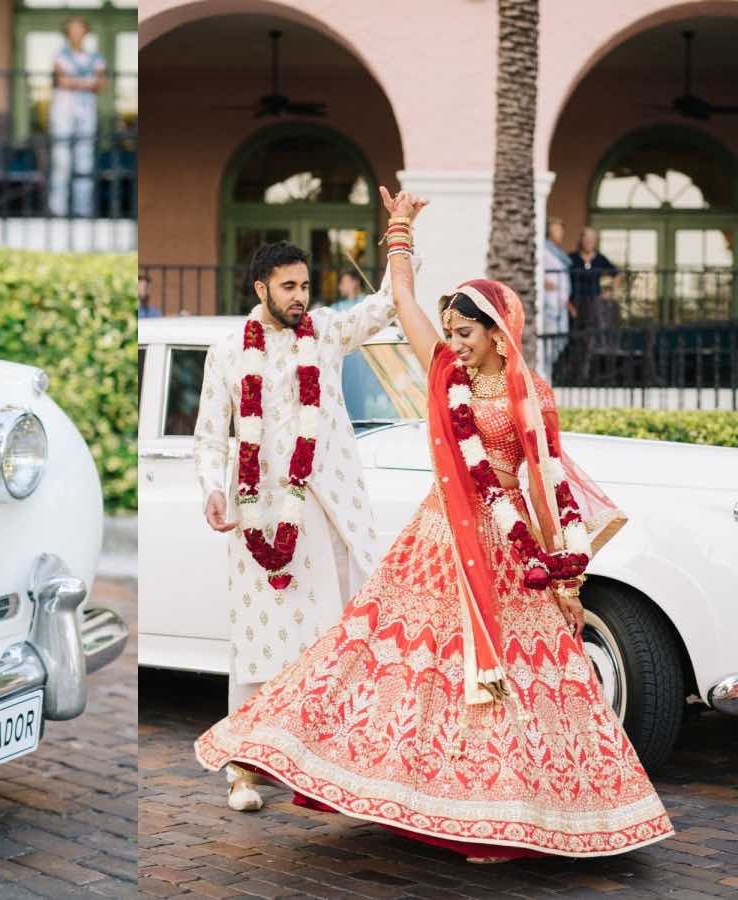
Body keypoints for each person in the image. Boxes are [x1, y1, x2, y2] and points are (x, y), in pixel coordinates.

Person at [195, 188, 673, 861]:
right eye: (451, 334)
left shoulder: (528, 393)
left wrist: (561, 568)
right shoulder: (446, 371)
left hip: (508, 550)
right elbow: (405, 305)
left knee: (514, 679)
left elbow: (547, 478)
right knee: (410, 670)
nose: (455, 345)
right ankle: (395, 795)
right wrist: (397, 231)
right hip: (437, 537)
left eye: (467, 334)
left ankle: (517, 813)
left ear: (498, 331)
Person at [193, 239, 414, 812]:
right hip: (257, 515)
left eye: (305, 286)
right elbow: (211, 434)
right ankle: (243, 769)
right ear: (260, 288)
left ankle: (326, 768)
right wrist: (213, 488)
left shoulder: (326, 335)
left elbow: (385, 305)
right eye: (288, 287)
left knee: (326, 638)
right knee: (256, 641)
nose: (300, 297)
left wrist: (400, 235)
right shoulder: (226, 350)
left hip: (324, 511)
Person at [48, 16, 105, 218]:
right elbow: (62, 81)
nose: (76, 33)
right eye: (72, 29)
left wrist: (75, 81)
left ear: (85, 32)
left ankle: (83, 209)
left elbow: (100, 84)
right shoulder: (60, 55)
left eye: (79, 29)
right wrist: (86, 82)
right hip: (63, 110)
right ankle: (58, 209)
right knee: (61, 158)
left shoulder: (95, 56)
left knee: (85, 159)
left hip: (86, 111)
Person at [568, 227, 618, 383]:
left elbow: (618, 274)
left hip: (594, 306)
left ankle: (588, 376)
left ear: (595, 242)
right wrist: (569, 306)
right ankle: (574, 376)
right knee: (574, 340)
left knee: (592, 340)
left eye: (591, 239)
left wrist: (608, 292)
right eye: (586, 238)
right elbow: (563, 284)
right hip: (575, 304)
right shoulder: (572, 258)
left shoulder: (600, 259)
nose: (588, 241)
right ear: (581, 240)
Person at [540, 218, 572, 380]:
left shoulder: (557, 252)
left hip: (560, 302)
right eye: (557, 229)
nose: (561, 233)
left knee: (559, 339)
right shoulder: (543, 249)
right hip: (550, 302)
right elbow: (538, 267)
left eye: (561, 229)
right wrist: (543, 279)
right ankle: (544, 375)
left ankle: (548, 373)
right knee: (549, 340)